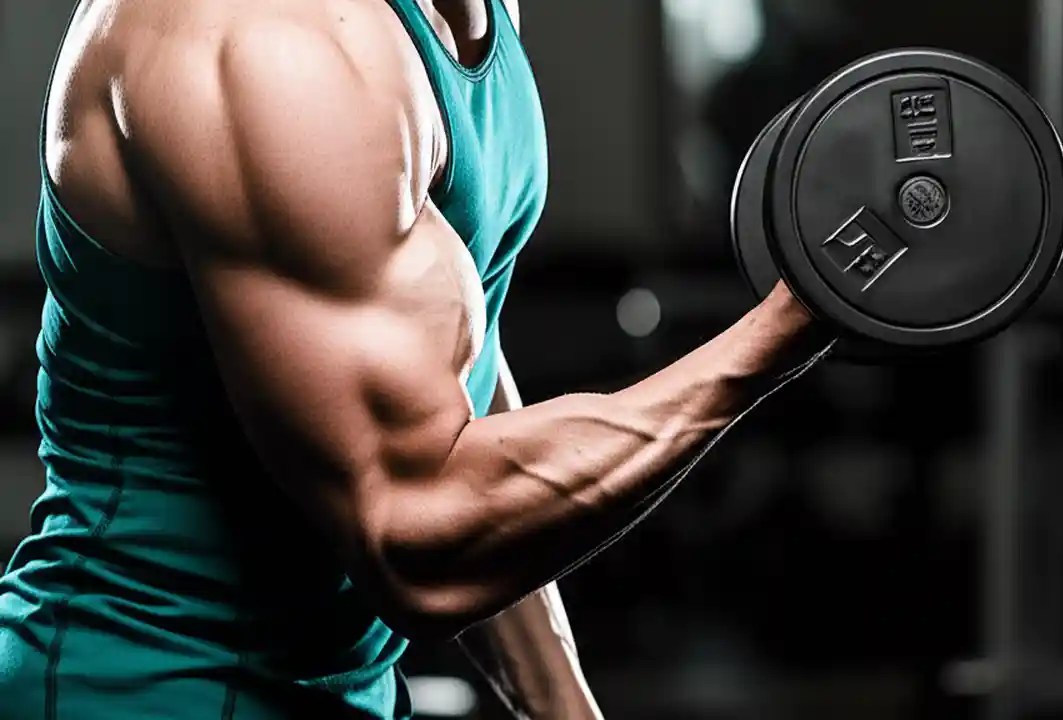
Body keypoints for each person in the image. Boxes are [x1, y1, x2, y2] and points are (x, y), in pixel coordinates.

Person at [0, 0, 831, 717]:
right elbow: (416, 527)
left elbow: (451, 386)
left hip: (351, 691)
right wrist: (788, 325)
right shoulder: (263, 39)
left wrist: (565, 708)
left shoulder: (468, 12)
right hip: (146, 685)